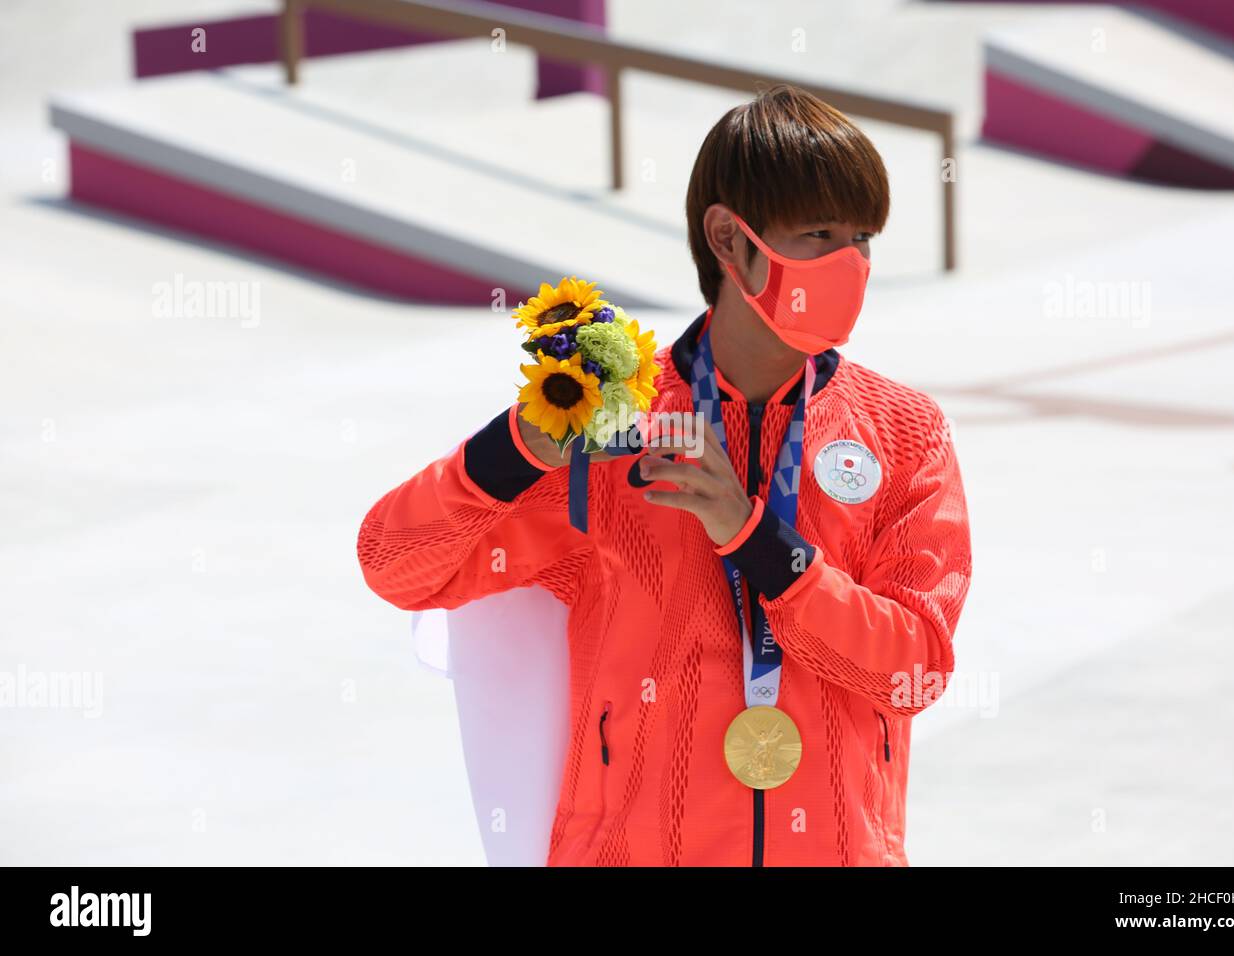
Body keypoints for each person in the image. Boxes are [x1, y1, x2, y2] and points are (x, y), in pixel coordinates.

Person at [357, 83, 972, 866]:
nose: (850, 264)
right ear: (727, 238)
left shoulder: (903, 431)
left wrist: (759, 545)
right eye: (819, 234)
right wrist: (519, 448)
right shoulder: (616, 426)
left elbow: (914, 673)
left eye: (863, 239)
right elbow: (395, 564)